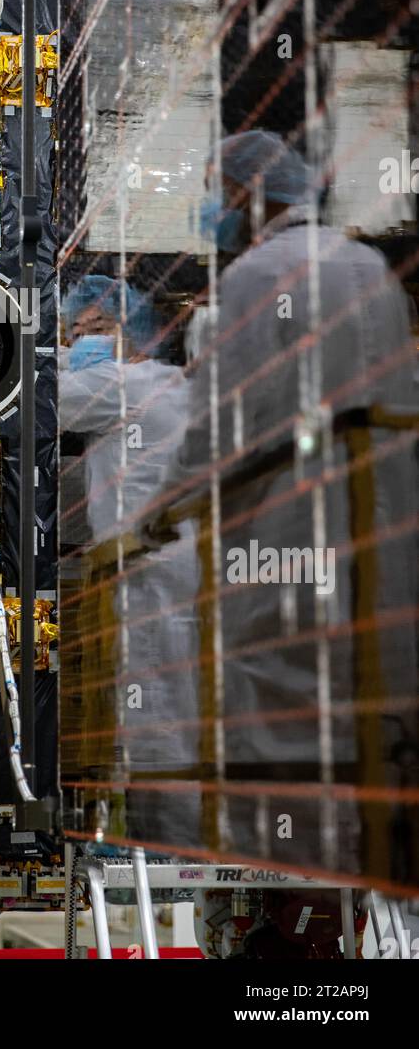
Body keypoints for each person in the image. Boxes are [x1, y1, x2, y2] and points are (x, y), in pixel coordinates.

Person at [164, 129, 419, 872]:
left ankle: (285, 890)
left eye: (218, 190)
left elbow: (219, 424)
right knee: (367, 703)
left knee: (280, 709)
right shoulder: (368, 265)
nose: (211, 208)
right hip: (380, 530)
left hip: (281, 524)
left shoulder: (255, 276)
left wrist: (166, 507)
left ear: (247, 194)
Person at [59, 276, 198, 844]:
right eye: (75, 333)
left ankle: (174, 876)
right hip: (172, 571)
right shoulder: (168, 386)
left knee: (155, 727)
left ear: (136, 333)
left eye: (99, 330)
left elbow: (40, 399)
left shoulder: (126, 385)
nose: (83, 343)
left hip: (151, 578)